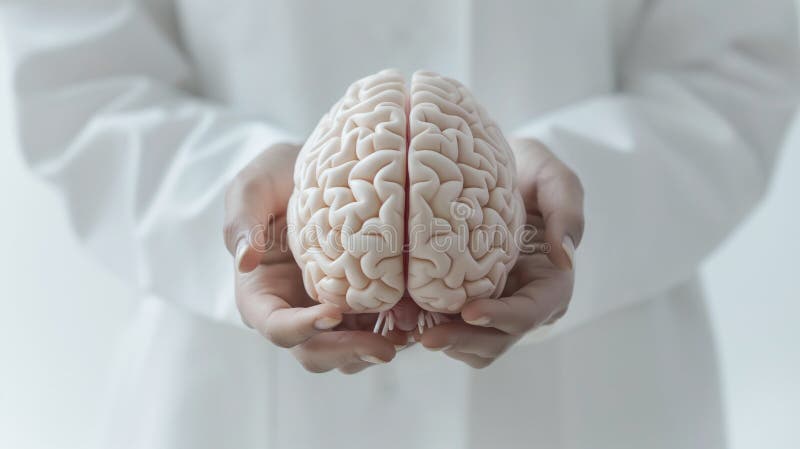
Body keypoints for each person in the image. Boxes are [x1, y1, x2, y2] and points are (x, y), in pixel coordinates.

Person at [3, 0, 798, 448]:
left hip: (597, 398)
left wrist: (555, 202)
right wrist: (257, 205)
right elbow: (84, 81)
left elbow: (735, 65)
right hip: (231, 406)